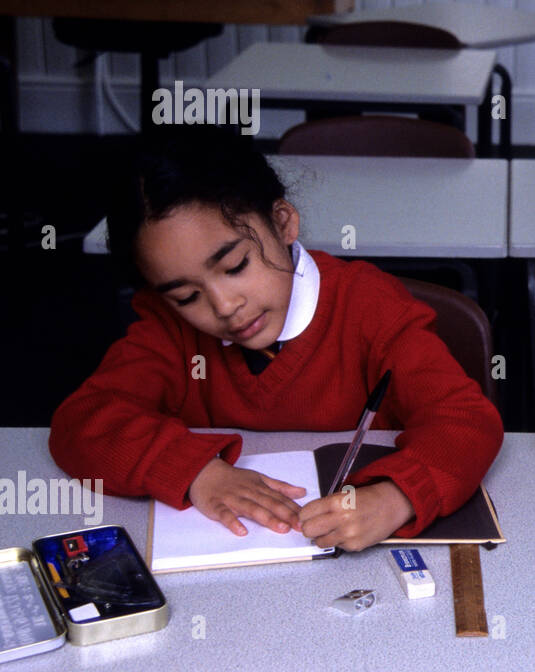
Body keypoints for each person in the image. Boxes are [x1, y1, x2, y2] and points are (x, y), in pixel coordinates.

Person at [50, 127, 502, 550]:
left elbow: (467, 420)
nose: (225, 306)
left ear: (283, 222)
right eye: (188, 295)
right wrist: (196, 472)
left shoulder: (371, 308)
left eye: (236, 267)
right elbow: (83, 423)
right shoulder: (170, 330)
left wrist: (396, 496)